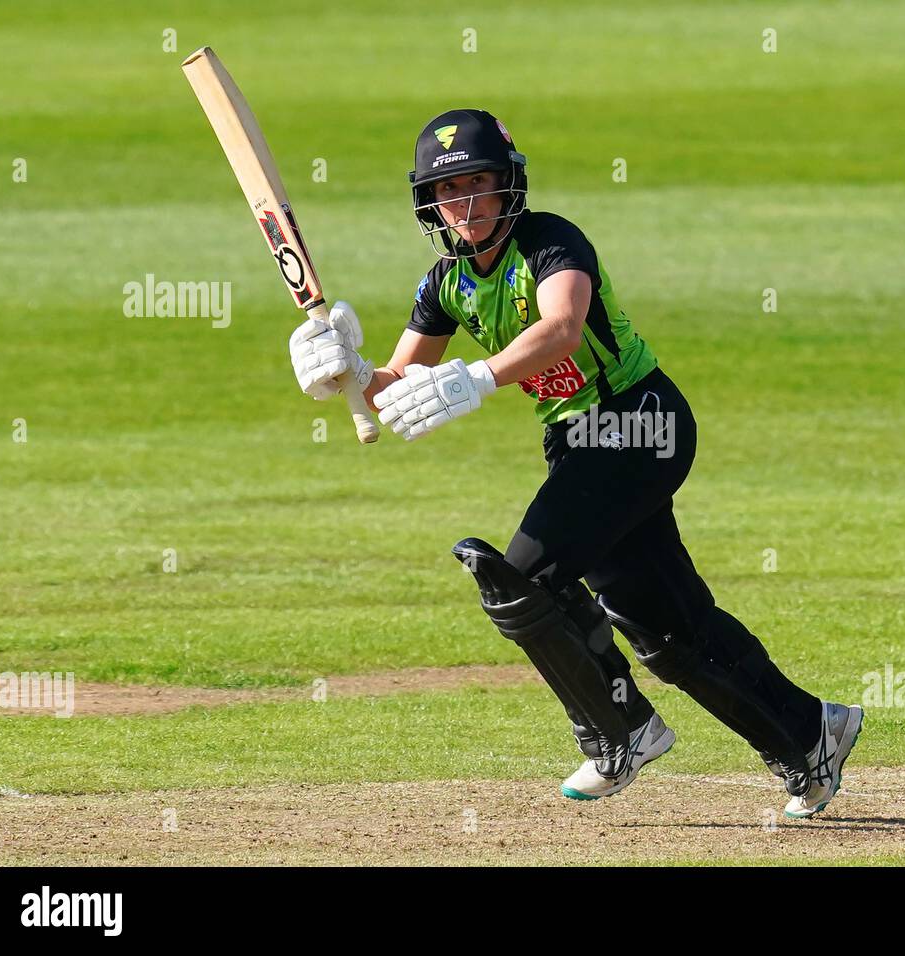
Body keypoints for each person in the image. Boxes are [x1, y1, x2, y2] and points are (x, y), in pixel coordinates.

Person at [288, 109, 863, 818]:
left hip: (639, 421)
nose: (464, 206)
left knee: (524, 577)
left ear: (508, 186)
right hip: (574, 443)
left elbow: (561, 328)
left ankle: (619, 729)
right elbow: (400, 386)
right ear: (428, 204)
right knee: (666, 631)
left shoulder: (552, 242)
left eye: (477, 185)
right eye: (448, 192)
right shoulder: (445, 283)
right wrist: (345, 369)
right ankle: (811, 735)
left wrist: (480, 378)